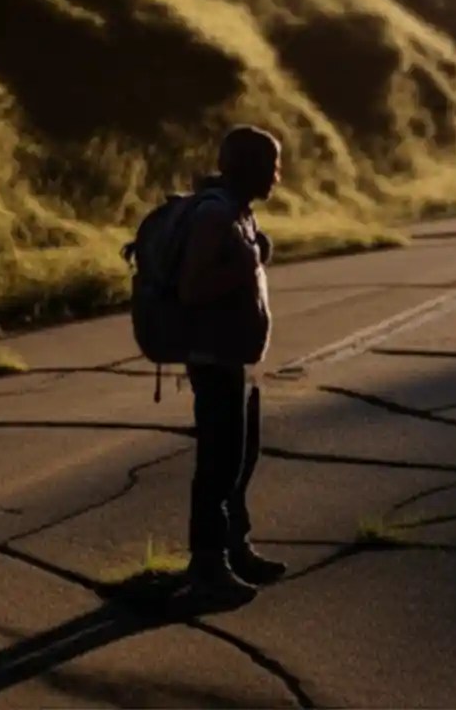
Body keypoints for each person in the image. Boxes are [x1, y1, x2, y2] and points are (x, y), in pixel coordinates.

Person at [177, 125, 286, 601]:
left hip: (237, 354)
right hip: (213, 355)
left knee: (240, 458)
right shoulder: (213, 216)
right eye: (272, 165)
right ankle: (208, 566)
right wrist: (242, 267)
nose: (277, 176)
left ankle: (234, 547)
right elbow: (192, 288)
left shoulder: (238, 213)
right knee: (218, 463)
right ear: (248, 167)